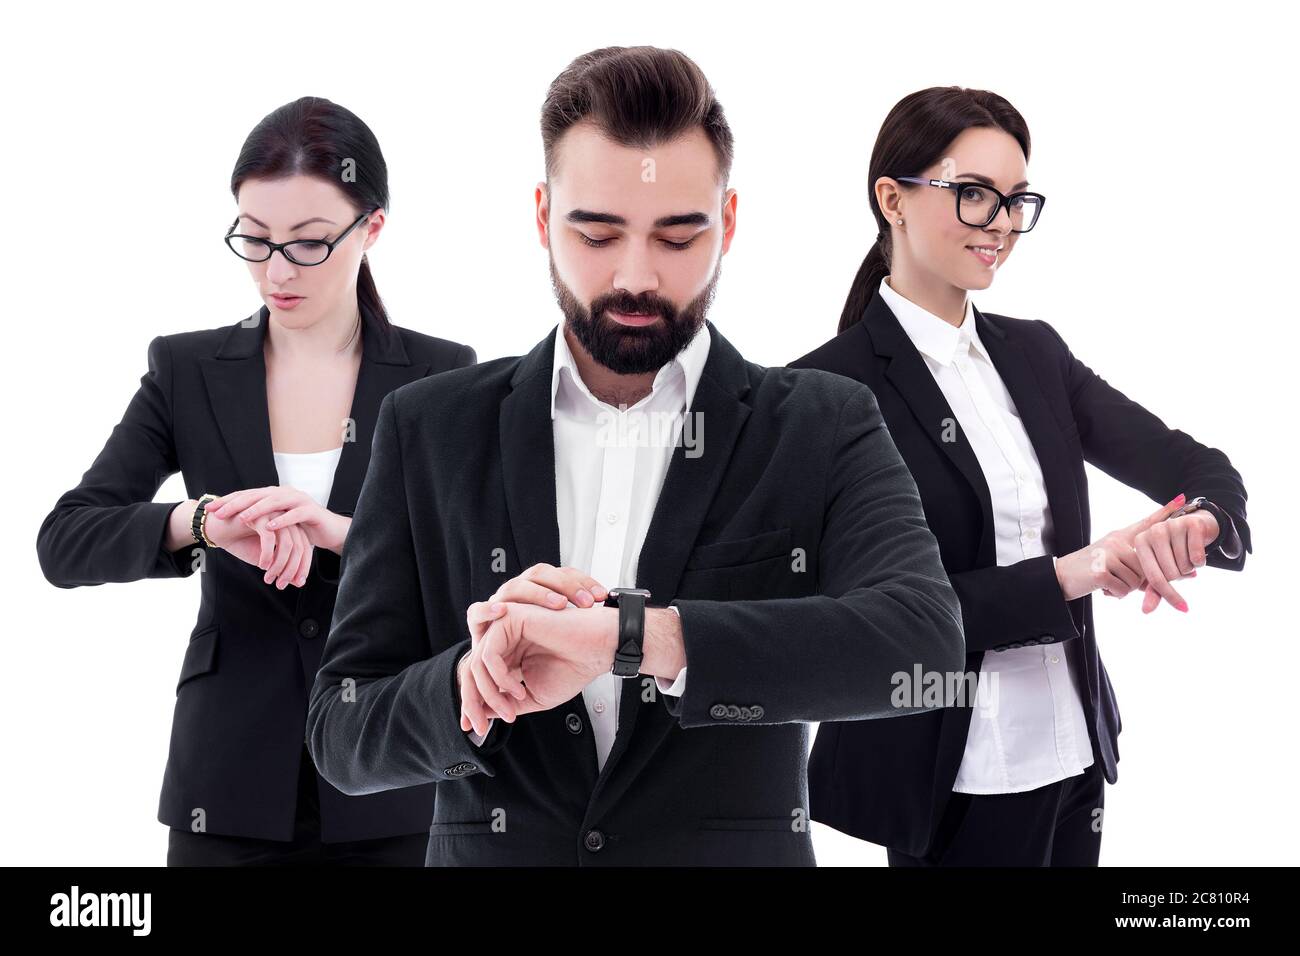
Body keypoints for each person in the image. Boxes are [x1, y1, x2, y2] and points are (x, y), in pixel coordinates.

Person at [305, 46, 965, 866]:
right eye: (597, 233)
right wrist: (467, 687)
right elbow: (340, 731)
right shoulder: (429, 427)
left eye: (678, 237)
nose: (636, 277)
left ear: (727, 224)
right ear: (544, 217)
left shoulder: (822, 424)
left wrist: (639, 638)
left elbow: (921, 640)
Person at [792, 86, 1251, 866]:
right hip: (954, 780)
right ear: (892, 200)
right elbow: (868, 620)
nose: (1002, 224)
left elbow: (1195, 467)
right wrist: (1072, 574)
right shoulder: (823, 393)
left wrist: (1197, 522)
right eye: (974, 194)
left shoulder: (1035, 354)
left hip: (1074, 758)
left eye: (1015, 200)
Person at [36, 96, 477, 865]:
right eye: (256, 238)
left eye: (308, 242)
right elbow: (66, 541)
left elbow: (477, 574)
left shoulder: (441, 374)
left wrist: (341, 535)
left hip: (389, 777)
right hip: (226, 782)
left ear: (372, 228)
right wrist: (203, 523)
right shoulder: (187, 370)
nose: (276, 271)